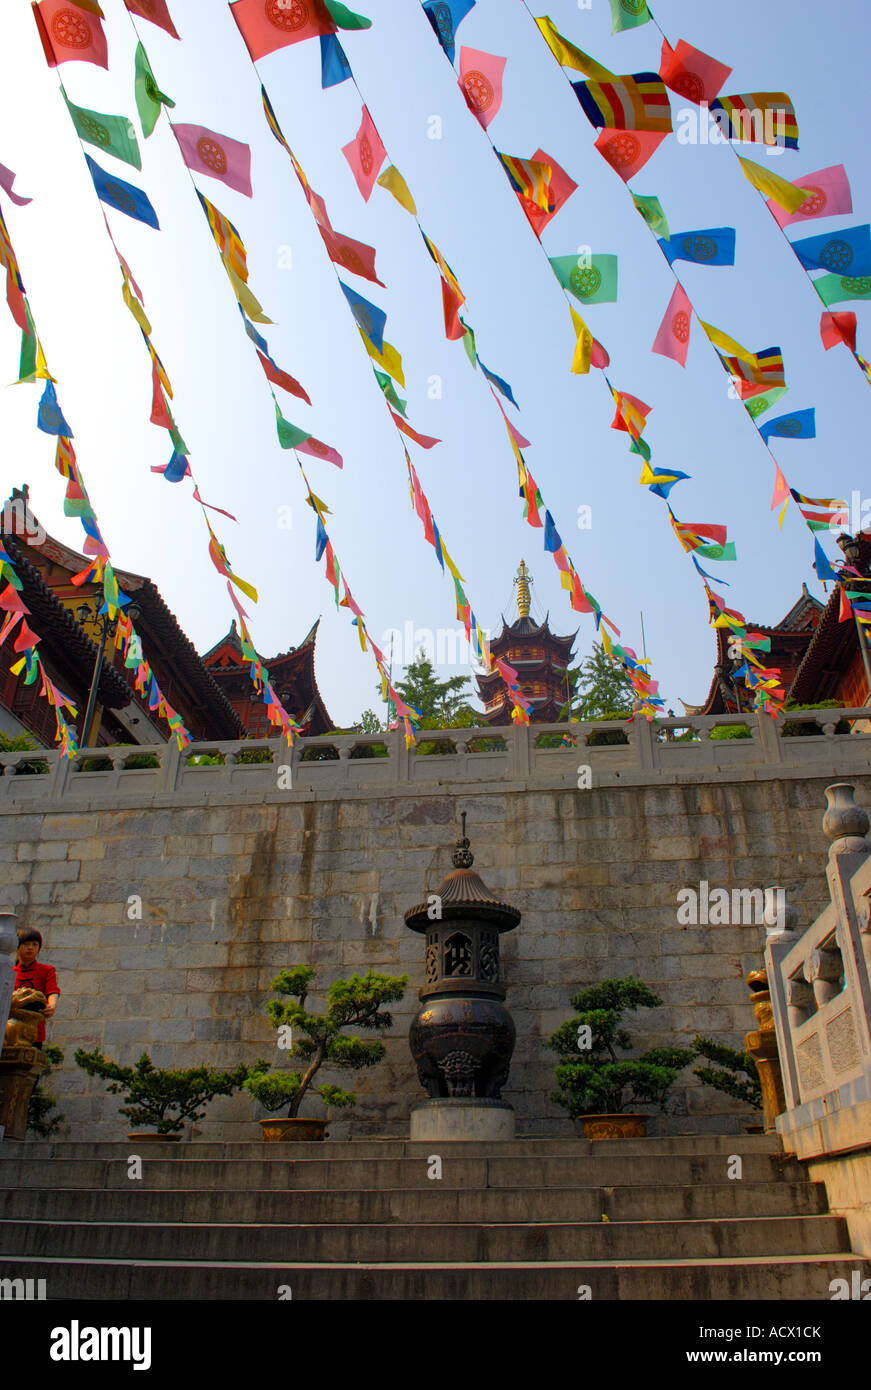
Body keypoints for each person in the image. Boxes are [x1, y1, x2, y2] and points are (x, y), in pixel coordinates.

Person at [13, 929, 59, 1050]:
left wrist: (52, 1005)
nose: (30, 948)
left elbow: (52, 990)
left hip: (35, 1029)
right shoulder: (9, 972)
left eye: (34, 944)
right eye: (26, 944)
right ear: (17, 947)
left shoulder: (47, 970)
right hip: (10, 1027)